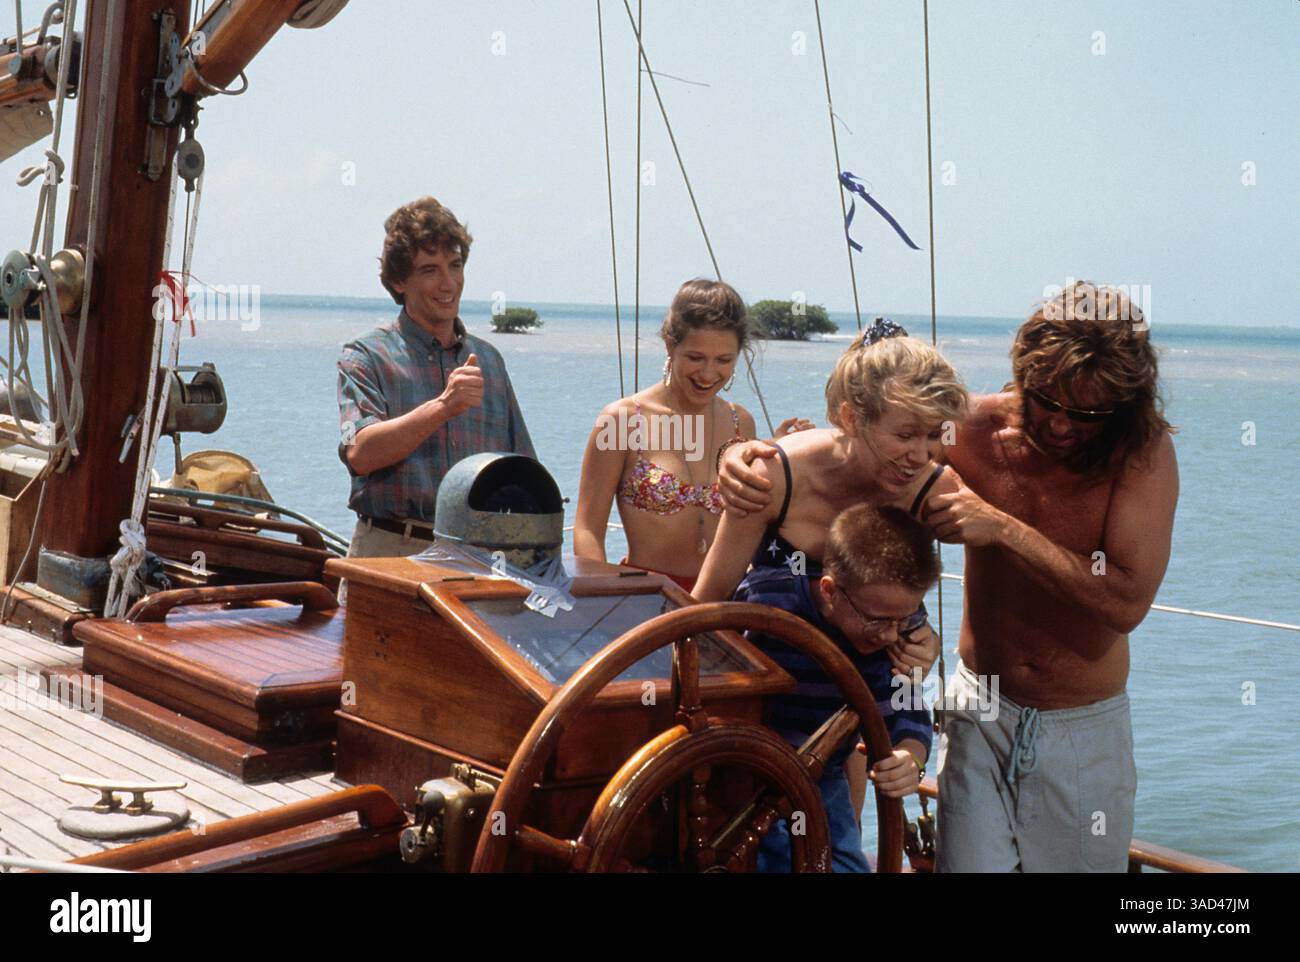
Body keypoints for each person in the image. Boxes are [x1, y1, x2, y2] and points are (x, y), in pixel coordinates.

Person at [720, 282, 1179, 872]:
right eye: (1047, 403)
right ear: (1023, 376)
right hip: (978, 707)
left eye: (1089, 415)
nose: (1064, 425)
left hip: (1079, 724)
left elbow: (1126, 603)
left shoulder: (1139, 453)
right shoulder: (969, 429)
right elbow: (861, 437)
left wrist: (1002, 528)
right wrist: (744, 456)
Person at [573, 279, 810, 592]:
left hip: (723, 600)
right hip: (645, 597)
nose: (709, 373)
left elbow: (755, 524)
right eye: (696, 358)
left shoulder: (741, 423)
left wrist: (782, 455)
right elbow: (587, 529)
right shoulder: (622, 421)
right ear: (672, 346)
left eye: (724, 360)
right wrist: (604, 595)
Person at [739, 503, 939, 872]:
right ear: (830, 591)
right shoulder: (764, 601)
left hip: (823, 779)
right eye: (879, 619)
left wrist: (911, 758)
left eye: (905, 619)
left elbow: (908, 712)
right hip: (740, 777)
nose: (893, 634)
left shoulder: (884, 638)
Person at [336, 197, 534, 561]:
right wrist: (444, 406)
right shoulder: (366, 355)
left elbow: (521, 473)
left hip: (477, 555)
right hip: (392, 550)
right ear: (399, 280)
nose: (448, 284)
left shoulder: (489, 361)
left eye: (455, 266)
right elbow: (360, 453)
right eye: (430, 270)